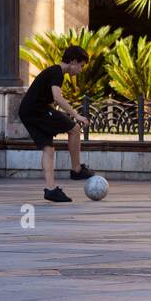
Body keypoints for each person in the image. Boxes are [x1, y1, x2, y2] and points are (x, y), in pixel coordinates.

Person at [18, 46, 94, 203]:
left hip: (27, 112)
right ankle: (76, 169)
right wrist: (76, 115)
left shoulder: (55, 72)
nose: (80, 70)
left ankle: (51, 189)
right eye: (81, 66)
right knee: (75, 129)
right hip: (37, 110)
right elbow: (57, 97)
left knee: (48, 148)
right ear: (73, 61)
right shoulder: (57, 72)